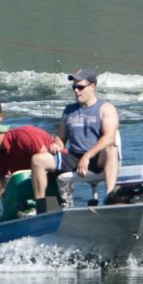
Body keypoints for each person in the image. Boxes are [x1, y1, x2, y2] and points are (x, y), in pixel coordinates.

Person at [35, 68, 121, 207]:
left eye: (80, 87)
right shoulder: (68, 110)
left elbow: (109, 137)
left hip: (97, 158)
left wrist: (87, 156)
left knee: (111, 149)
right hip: (74, 158)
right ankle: (41, 206)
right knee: (38, 160)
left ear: (92, 86)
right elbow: (60, 139)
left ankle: (109, 198)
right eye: (74, 87)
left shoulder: (106, 108)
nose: (76, 91)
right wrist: (56, 145)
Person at [0, 120, 61, 221]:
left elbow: (44, 160)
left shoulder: (22, 137)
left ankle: (41, 210)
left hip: (56, 168)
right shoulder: (0, 155)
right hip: (33, 181)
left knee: (33, 167)